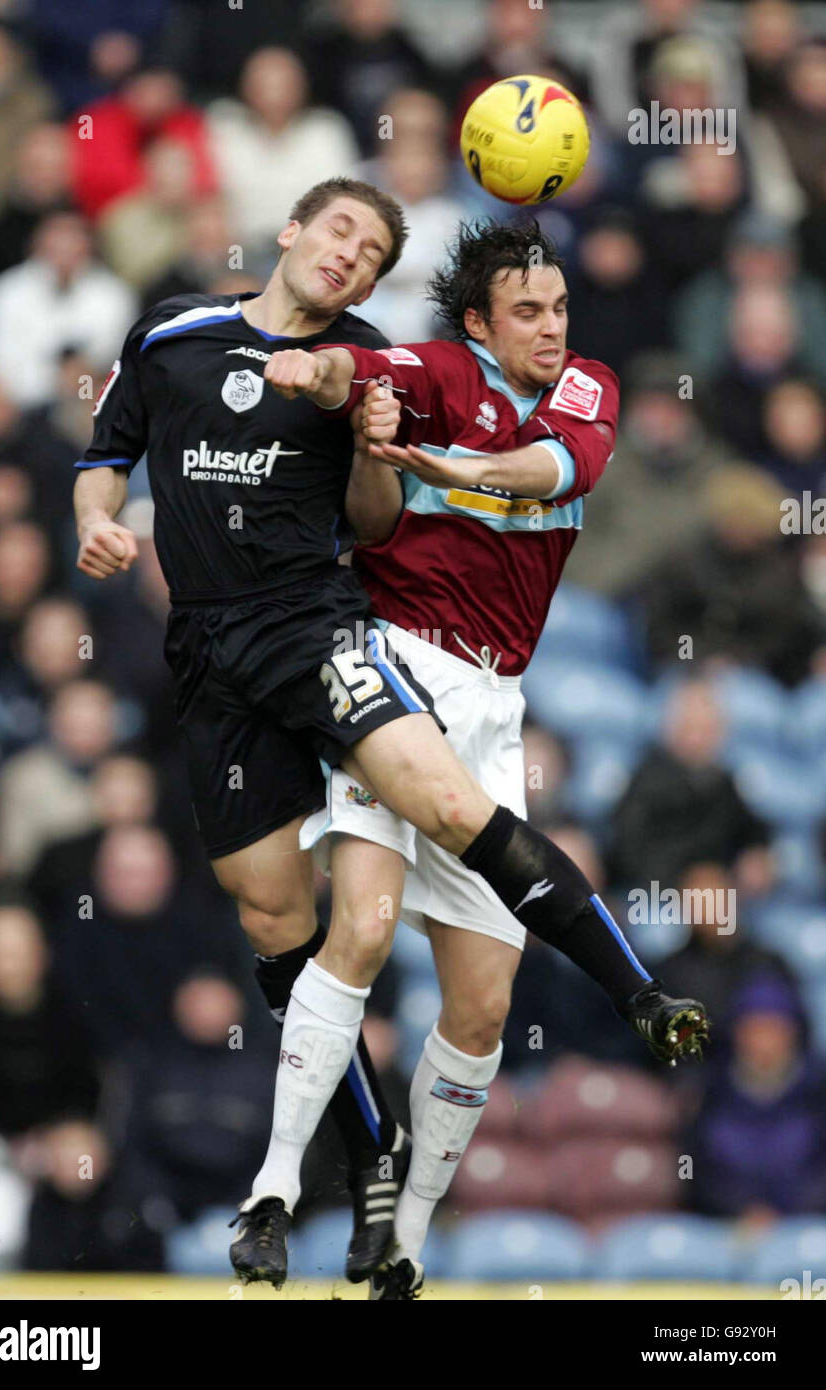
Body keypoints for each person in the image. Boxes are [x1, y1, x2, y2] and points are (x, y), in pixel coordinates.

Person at [72, 182, 708, 1291]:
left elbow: (555, 468)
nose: (553, 328)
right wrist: (318, 382)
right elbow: (350, 378)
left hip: (488, 695)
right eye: (528, 311)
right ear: (476, 324)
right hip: (377, 648)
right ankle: (276, 1191)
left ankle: (401, 1233)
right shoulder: (413, 365)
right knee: (345, 926)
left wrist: (445, 465)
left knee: (480, 1005)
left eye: (560, 307)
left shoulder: (588, 389)